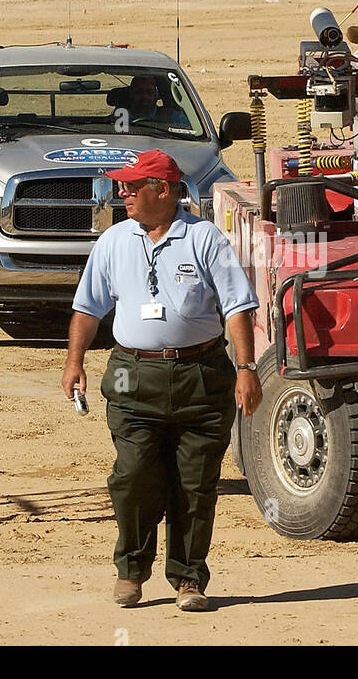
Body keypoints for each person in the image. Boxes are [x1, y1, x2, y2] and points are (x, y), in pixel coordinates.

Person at [62, 150, 261, 612]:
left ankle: (189, 579)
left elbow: (237, 307)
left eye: (133, 186)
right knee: (133, 476)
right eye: (123, 186)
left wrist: (247, 369)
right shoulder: (113, 241)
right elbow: (88, 308)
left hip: (201, 377)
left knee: (194, 484)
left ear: (164, 190)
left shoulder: (205, 239)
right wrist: (74, 362)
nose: (123, 193)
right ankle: (131, 572)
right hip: (134, 378)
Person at [125, 75, 189, 128]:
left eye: (149, 92)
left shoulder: (173, 117)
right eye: (139, 92)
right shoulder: (122, 117)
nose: (145, 96)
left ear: (156, 95)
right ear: (131, 95)